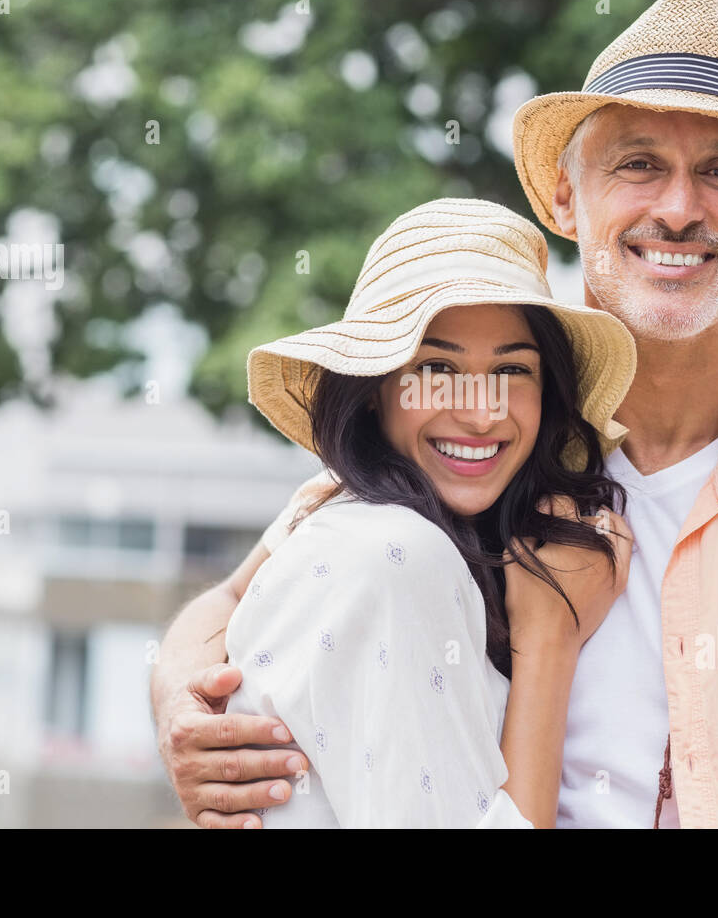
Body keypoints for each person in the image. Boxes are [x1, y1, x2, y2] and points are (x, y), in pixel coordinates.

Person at [152, 0, 718, 828]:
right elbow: (235, 599)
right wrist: (180, 708)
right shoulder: (476, 436)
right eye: (639, 163)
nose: (678, 207)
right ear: (561, 198)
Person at [213, 197, 637, 826]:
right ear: (372, 390)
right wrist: (551, 638)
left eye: (512, 369)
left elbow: (224, 599)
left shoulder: (359, 515)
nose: (479, 412)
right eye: (436, 367)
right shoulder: (392, 551)